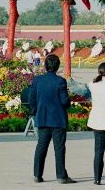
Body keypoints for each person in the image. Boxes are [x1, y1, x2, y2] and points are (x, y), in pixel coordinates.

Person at [29, 53, 75, 184]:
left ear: (45, 66)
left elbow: (32, 99)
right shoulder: (60, 81)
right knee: (59, 148)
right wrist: (69, 101)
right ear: (57, 66)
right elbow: (64, 101)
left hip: (43, 118)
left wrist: (35, 111)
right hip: (58, 119)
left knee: (41, 147)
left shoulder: (38, 80)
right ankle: (61, 176)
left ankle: (37, 175)